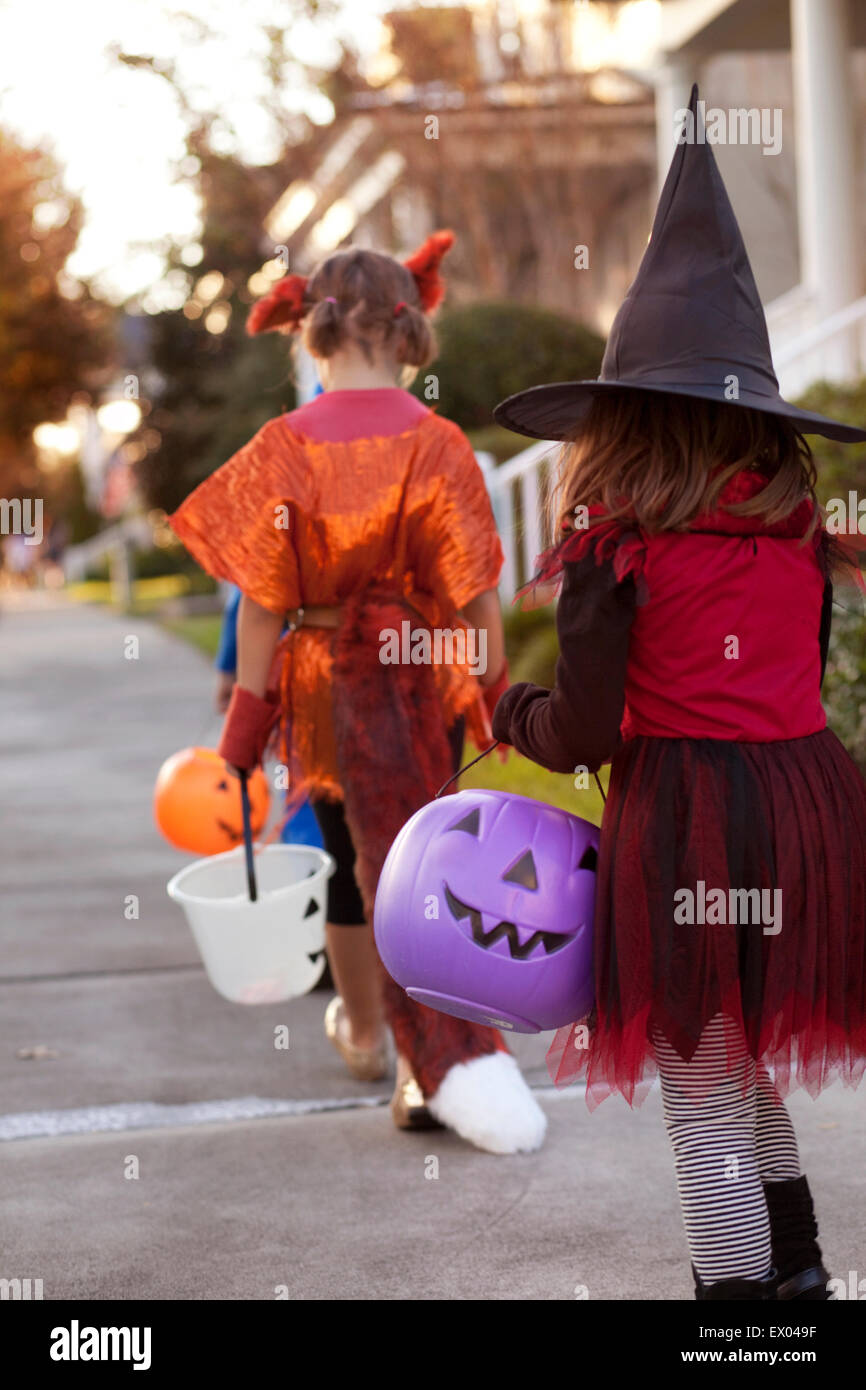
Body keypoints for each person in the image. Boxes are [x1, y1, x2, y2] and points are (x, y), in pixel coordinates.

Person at [491, 86, 866, 1297]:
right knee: (741, 1059)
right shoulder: (795, 532)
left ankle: (740, 1315)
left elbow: (587, 727)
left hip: (691, 823)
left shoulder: (616, 549)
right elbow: (791, 682)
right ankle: (797, 1279)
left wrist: (507, 716)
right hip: (808, 818)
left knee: (699, 1090)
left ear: (618, 419)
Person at [170, 230, 546, 1155]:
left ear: (311, 332)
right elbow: (474, 595)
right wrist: (492, 696)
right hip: (419, 683)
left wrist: (242, 731)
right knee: (424, 863)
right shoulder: (441, 442)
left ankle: (370, 1032)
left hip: (323, 686)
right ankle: (432, 1064)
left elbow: (260, 610)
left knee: (345, 858)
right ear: (404, 327)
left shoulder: (281, 446)